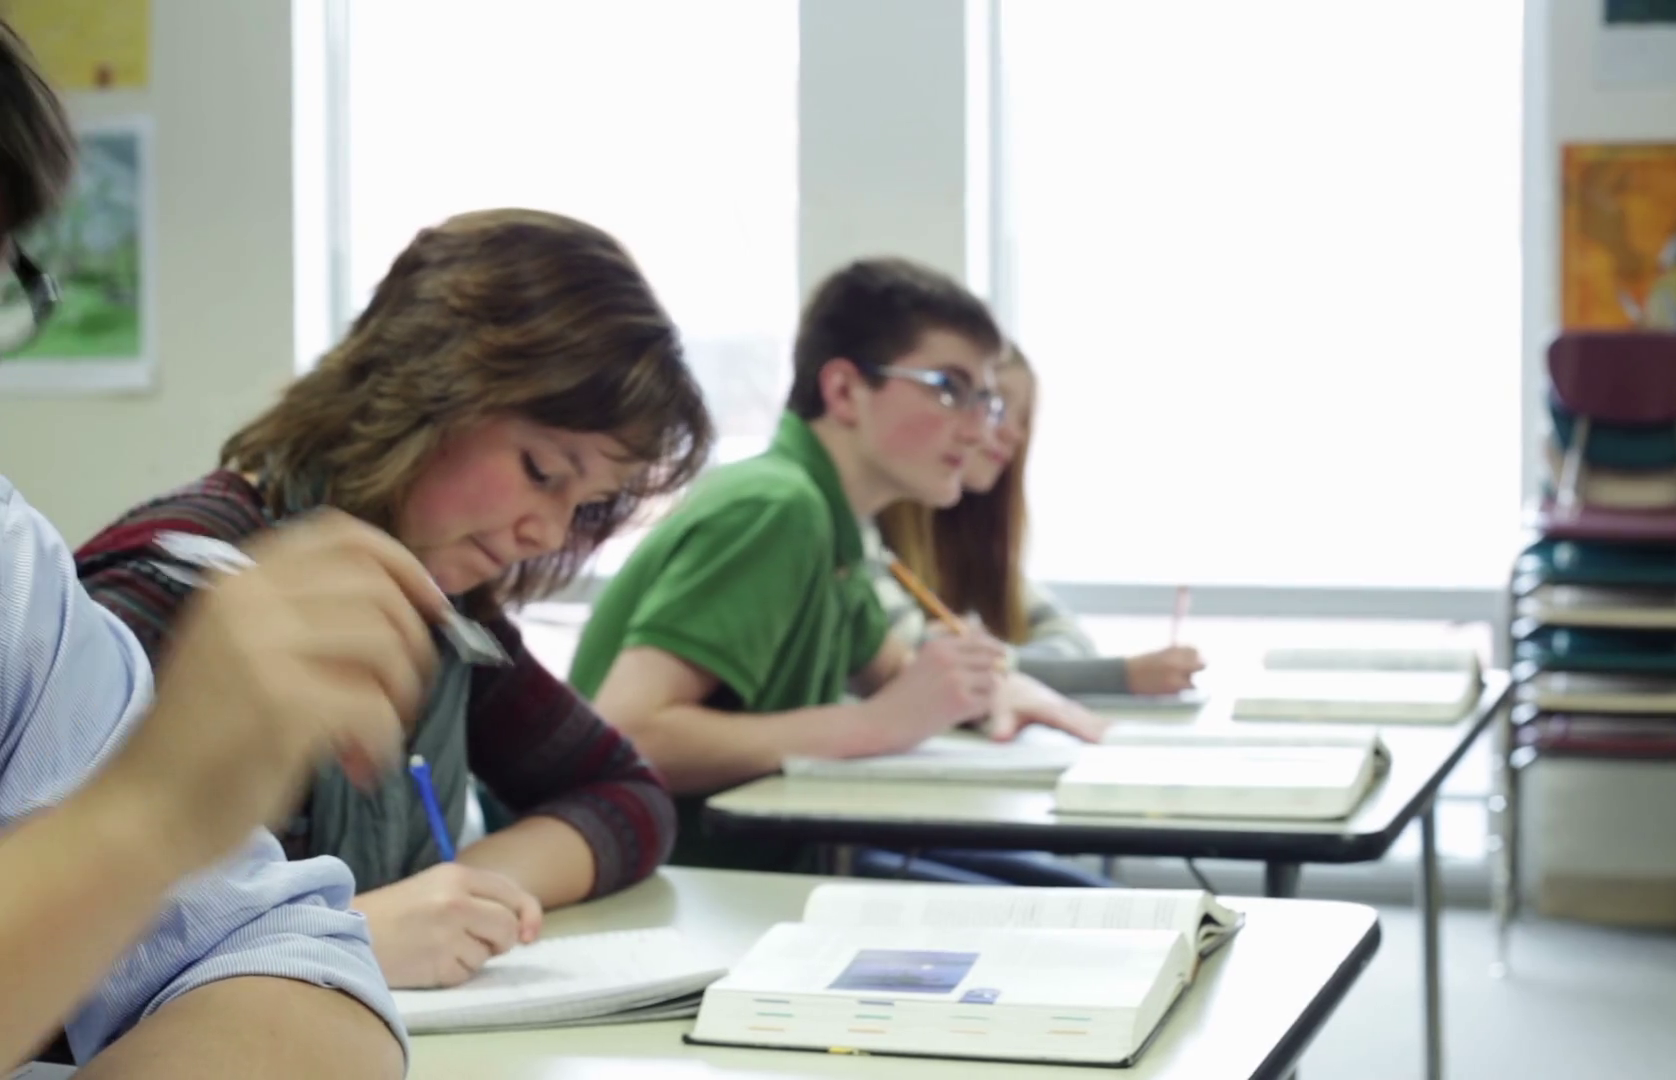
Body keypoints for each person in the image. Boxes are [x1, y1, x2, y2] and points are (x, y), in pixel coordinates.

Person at [74, 208, 714, 989]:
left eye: (586, 506)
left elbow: (628, 797)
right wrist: (347, 935)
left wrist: (471, 890)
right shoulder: (168, 591)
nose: (549, 531)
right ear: (429, 391)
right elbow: (46, 930)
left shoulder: (440, 608)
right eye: (543, 471)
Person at [1, 20, 419, 1074]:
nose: (552, 531)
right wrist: (150, 811)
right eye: (548, 475)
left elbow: (279, 947)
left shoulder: (13, 572)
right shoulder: (192, 558)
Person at [570, 257, 1106, 879]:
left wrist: (989, 685)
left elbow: (898, 676)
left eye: (985, 399)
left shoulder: (834, 522)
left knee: (1075, 895)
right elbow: (631, 733)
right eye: (949, 388)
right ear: (845, 390)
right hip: (670, 886)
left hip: (750, 869)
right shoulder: (777, 508)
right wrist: (873, 726)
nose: (978, 428)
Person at [873, 345, 1206, 697]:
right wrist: (1118, 676)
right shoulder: (866, 542)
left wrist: (995, 661)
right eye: (996, 410)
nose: (1013, 435)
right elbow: (923, 663)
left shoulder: (967, 546)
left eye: (1021, 419)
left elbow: (1069, 636)